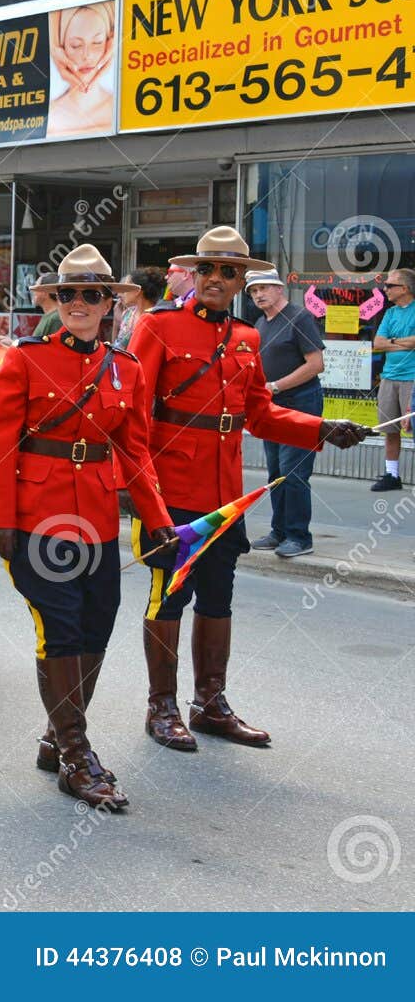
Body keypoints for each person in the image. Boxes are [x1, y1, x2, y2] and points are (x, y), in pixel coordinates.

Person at [127, 226, 370, 752]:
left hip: (225, 491)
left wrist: (321, 428)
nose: (217, 278)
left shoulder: (245, 337)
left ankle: (210, 703)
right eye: (209, 268)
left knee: (219, 597)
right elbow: (133, 416)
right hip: (170, 490)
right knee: (168, 598)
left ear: (242, 279)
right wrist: (139, 496)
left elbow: (258, 412)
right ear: (194, 274)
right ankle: (161, 706)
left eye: (229, 271)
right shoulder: (158, 326)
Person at [0, 246, 175, 811]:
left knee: (96, 628)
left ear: (110, 303)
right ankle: (75, 753)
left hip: (96, 520)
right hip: (37, 519)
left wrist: (157, 517)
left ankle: (55, 733)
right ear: (56, 300)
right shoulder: (25, 359)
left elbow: (134, 450)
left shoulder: (126, 367)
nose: (80, 304)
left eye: (92, 294)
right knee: (60, 631)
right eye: (69, 294)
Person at [247, 269, 325, 558]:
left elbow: (316, 364)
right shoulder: (260, 322)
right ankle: (279, 531)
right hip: (271, 406)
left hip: (301, 403)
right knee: (276, 472)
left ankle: (299, 536)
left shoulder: (300, 316)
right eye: (253, 291)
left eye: (264, 288)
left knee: (295, 473)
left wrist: (275, 386)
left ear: (280, 288)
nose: (259, 295)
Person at [370, 267, 415, 491]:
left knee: (413, 427)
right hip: (389, 377)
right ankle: (392, 475)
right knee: (390, 429)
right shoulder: (390, 313)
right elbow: (378, 343)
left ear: (404, 288)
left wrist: (392, 341)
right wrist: (403, 342)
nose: (384, 288)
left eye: (389, 285)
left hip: (412, 377)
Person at [47, 4, 117, 138]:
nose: (87, 55)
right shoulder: (48, 118)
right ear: (62, 48)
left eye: (97, 42)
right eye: (76, 45)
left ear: (108, 45)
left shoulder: (123, 111)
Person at [114, 266, 166, 348]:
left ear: (137, 291)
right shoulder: (127, 314)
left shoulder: (158, 317)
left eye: (126, 287)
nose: (121, 293)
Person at [29, 273, 61, 339]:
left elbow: (54, 348)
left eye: (36, 287)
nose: (33, 291)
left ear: (45, 291)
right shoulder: (50, 316)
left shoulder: (56, 318)